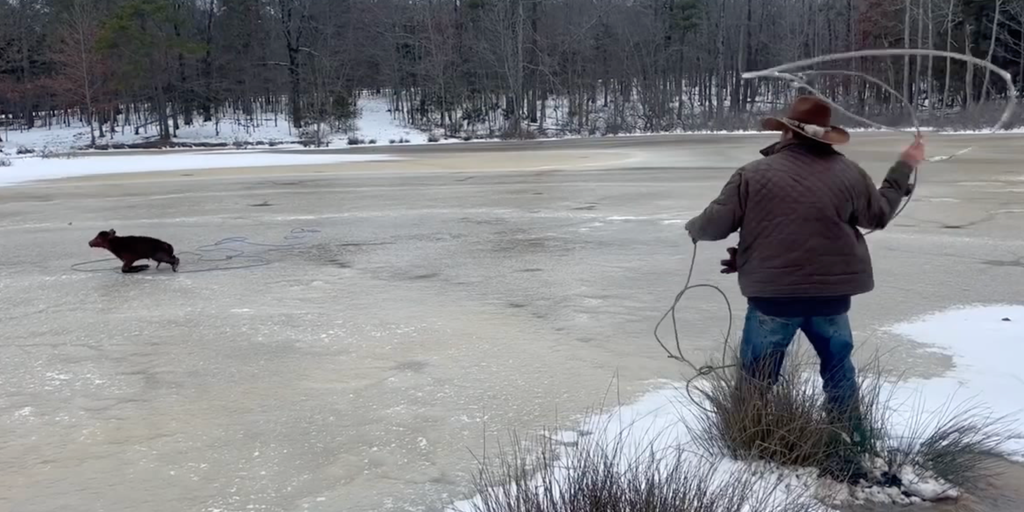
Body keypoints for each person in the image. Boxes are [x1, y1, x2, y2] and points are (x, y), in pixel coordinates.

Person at [683, 95, 924, 467]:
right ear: (823, 137)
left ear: (788, 133)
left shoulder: (752, 173)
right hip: (831, 299)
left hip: (772, 299)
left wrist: (693, 228)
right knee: (838, 372)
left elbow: (714, 225)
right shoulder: (850, 173)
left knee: (756, 380)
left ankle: (750, 452)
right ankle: (848, 445)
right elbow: (878, 214)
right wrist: (902, 169)